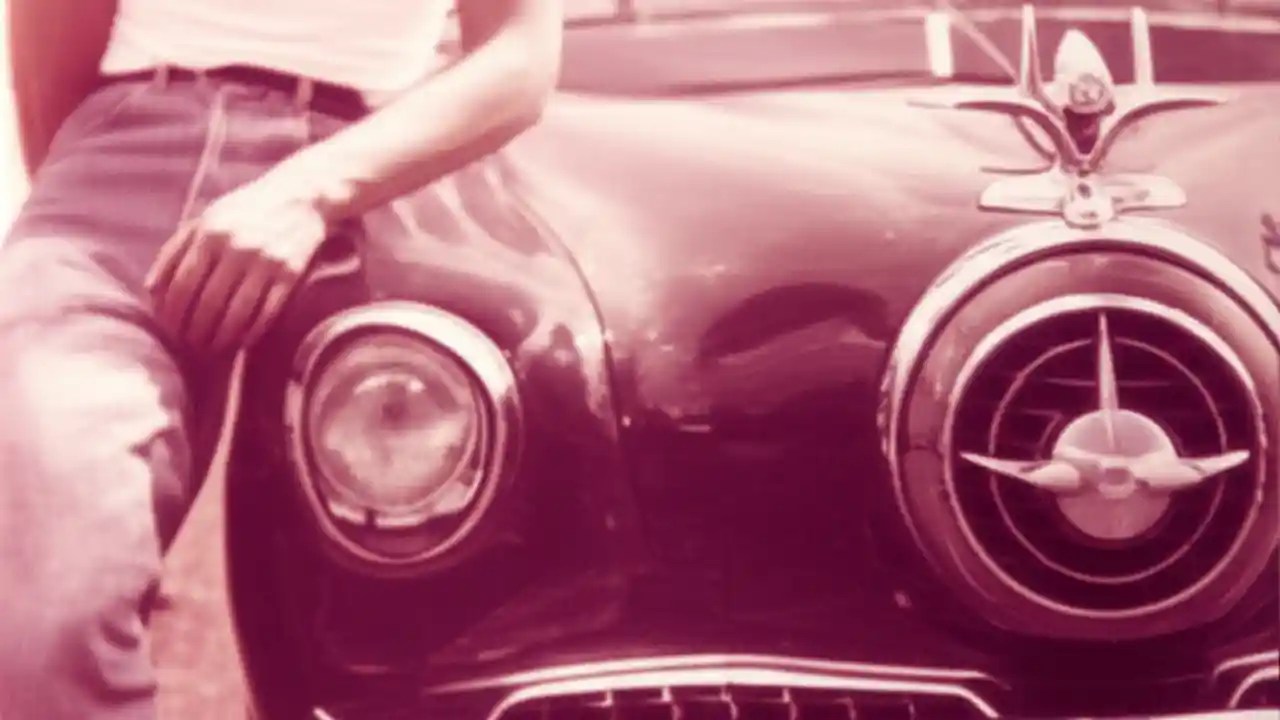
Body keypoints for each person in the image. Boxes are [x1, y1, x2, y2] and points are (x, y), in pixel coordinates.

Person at [0, 1, 563, 717]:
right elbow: (50, 48)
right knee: (44, 608)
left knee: (399, 603)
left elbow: (520, 61)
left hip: (375, 170)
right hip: (126, 158)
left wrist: (309, 189)